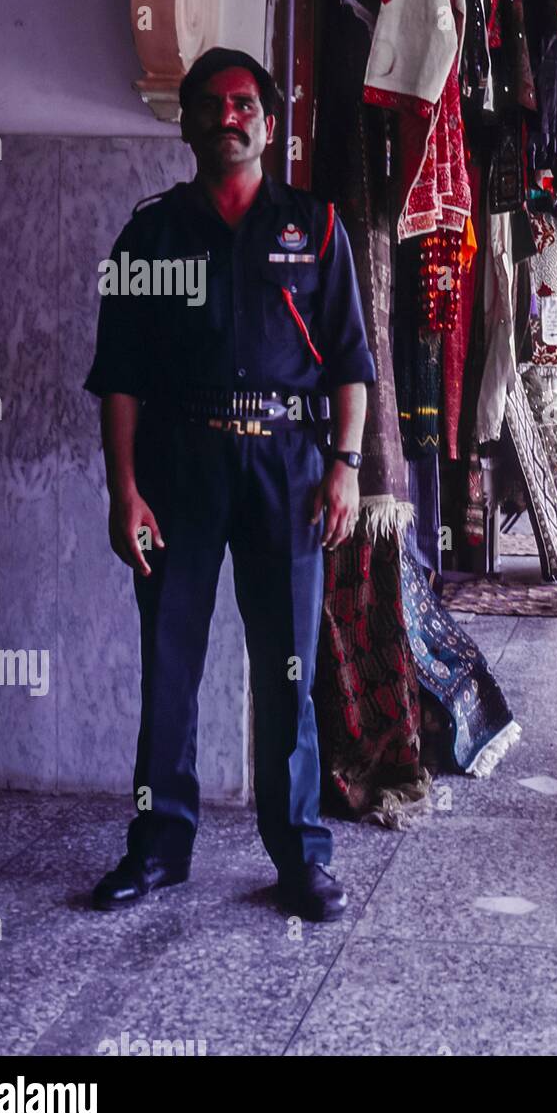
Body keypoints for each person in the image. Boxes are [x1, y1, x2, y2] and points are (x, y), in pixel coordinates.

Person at [84, 47, 377, 922]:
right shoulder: (148, 235)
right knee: (169, 664)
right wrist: (122, 490)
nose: (228, 117)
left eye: (244, 104)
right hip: (178, 465)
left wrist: (346, 467)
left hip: (286, 468)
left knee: (286, 668)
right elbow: (119, 378)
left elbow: (352, 365)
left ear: (270, 123)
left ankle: (300, 856)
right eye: (210, 105)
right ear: (187, 124)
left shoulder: (317, 229)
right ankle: (157, 846)